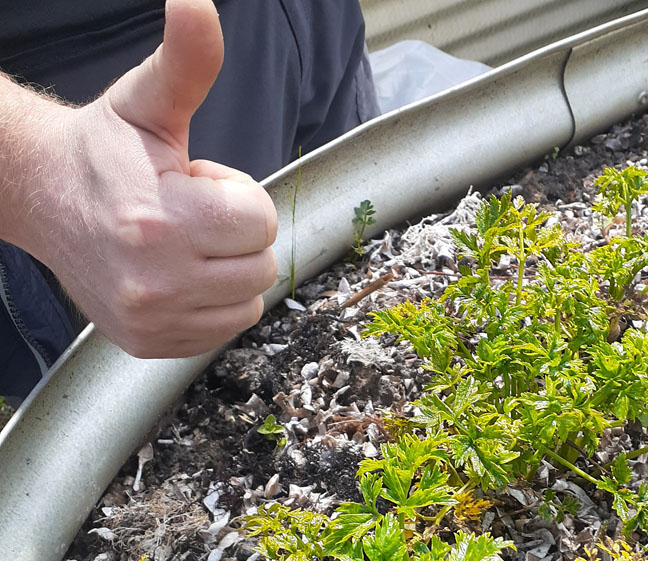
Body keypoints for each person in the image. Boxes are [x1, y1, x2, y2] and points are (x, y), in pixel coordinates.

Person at [0, 0, 379, 402]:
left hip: (312, 21)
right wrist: (42, 167)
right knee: (156, 395)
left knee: (357, 276)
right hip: (65, 75)